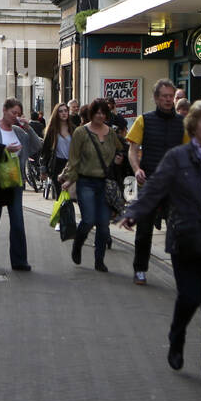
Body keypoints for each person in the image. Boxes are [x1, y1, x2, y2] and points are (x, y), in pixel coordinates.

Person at [121, 101, 201, 382]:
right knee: (190, 297)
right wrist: (134, 213)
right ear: (193, 127)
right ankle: (176, 339)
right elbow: (156, 187)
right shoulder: (177, 157)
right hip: (186, 238)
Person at [123, 79, 188, 286]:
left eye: (171, 96)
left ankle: (181, 274)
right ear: (156, 98)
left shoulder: (183, 123)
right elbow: (132, 149)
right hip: (150, 181)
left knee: (178, 230)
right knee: (144, 231)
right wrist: (137, 169)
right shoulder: (144, 120)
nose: (169, 100)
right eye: (164, 96)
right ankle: (140, 269)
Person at [0, 98, 42, 271]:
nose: (16, 117)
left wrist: (28, 127)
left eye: (19, 114)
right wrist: (4, 150)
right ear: (4, 110)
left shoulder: (19, 131)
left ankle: (19, 261)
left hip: (14, 182)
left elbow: (37, 145)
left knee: (17, 221)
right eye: (13, 113)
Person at [60, 98, 125, 273]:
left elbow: (120, 149)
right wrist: (69, 179)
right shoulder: (81, 132)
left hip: (104, 182)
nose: (101, 116)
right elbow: (74, 159)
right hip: (85, 181)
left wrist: (119, 158)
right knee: (88, 220)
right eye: (97, 113)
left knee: (104, 225)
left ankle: (99, 260)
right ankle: (78, 244)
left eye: (104, 113)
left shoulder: (111, 133)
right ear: (91, 114)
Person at [40, 103, 75, 187]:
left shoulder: (74, 129)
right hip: (57, 165)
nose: (64, 113)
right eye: (61, 111)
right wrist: (43, 169)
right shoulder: (52, 131)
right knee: (59, 196)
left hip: (71, 165)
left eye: (66, 111)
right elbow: (45, 151)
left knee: (71, 195)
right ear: (56, 113)